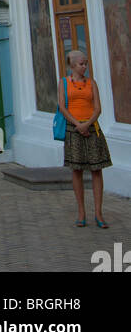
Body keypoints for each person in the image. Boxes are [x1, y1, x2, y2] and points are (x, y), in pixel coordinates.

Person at [57, 48, 112, 227]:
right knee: (77, 170)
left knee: (97, 170)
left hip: (92, 129)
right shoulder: (64, 83)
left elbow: (98, 108)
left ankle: (98, 213)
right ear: (73, 65)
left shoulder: (91, 83)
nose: (85, 67)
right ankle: (81, 212)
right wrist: (78, 125)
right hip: (74, 130)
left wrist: (87, 124)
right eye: (82, 64)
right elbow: (62, 107)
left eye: (86, 63)